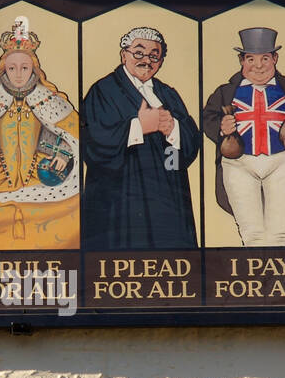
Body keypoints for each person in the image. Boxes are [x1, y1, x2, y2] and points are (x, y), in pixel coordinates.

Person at [0, 19, 79, 249]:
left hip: (42, 180)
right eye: (12, 68)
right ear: (3, 69)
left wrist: (64, 156)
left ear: (34, 69)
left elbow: (71, 137)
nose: (18, 74)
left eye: (24, 68)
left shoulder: (49, 101)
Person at [82, 26, 199, 250]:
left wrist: (173, 130)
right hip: (121, 201)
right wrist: (138, 127)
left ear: (161, 60)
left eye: (154, 55)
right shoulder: (103, 90)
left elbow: (186, 148)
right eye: (139, 52)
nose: (146, 59)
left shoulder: (168, 93)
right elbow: (93, 143)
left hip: (166, 199)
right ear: (123, 54)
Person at [202, 26, 285, 246]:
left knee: (281, 234)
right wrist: (221, 127)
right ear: (241, 60)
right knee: (251, 234)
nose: (258, 66)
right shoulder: (225, 91)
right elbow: (207, 117)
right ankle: (255, 279)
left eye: (265, 58)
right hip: (239, 164)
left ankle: (280, 279)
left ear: (275, 58)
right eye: (250, 59)